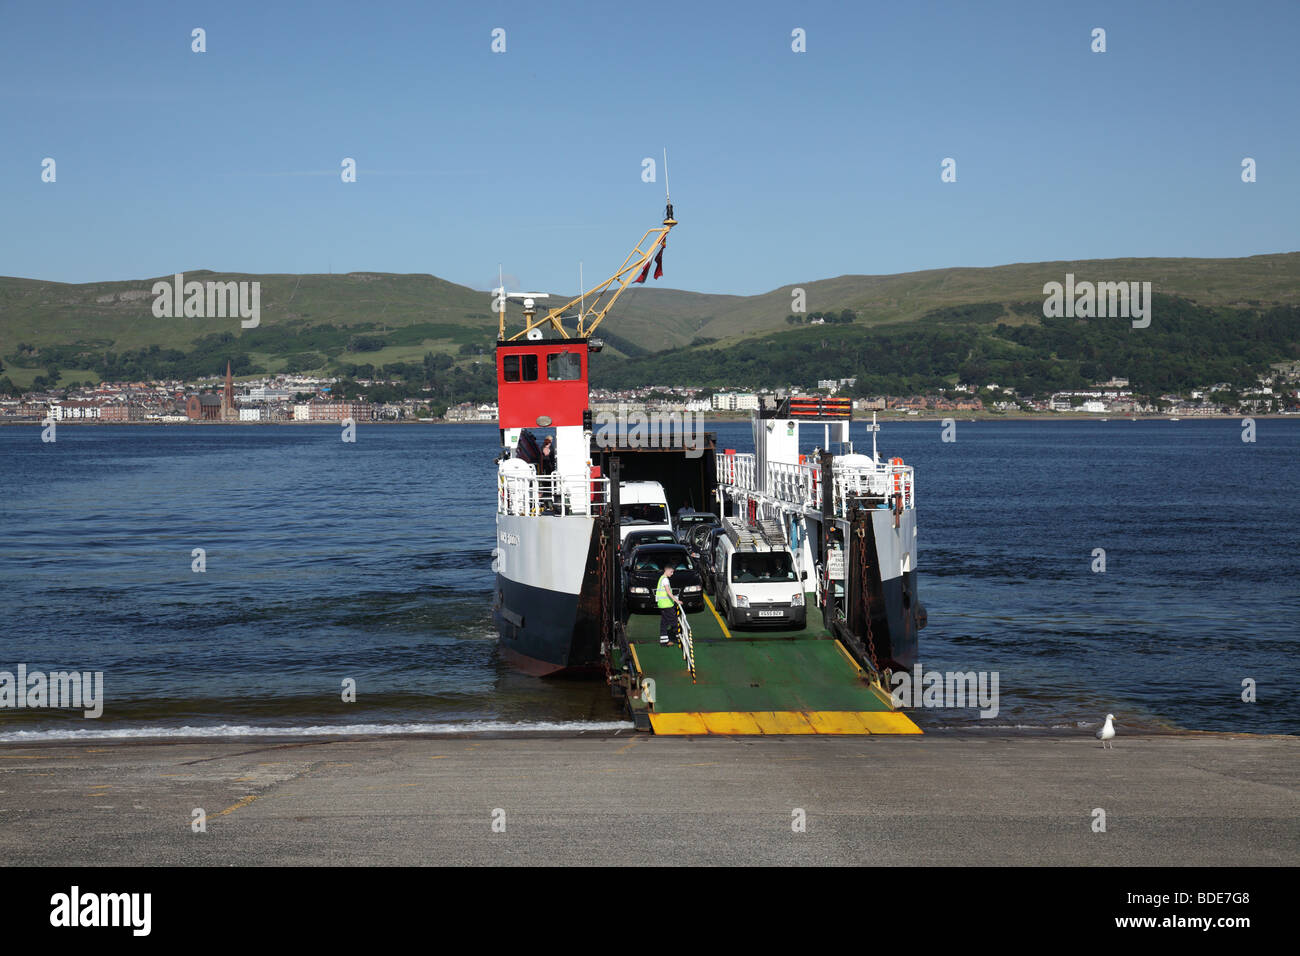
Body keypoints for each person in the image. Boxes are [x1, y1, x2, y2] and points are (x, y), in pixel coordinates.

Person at [656, 564, 678, 646]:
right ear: (667, 570)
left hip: (662, 604)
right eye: (671, 572)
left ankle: (664, 641)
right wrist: (677, 600)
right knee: (674, 621)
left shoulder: (661, 578)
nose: (672, 574)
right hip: (667, 605)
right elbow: (668, 592)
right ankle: (679, 636)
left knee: (664, 623)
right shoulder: (665, 580)